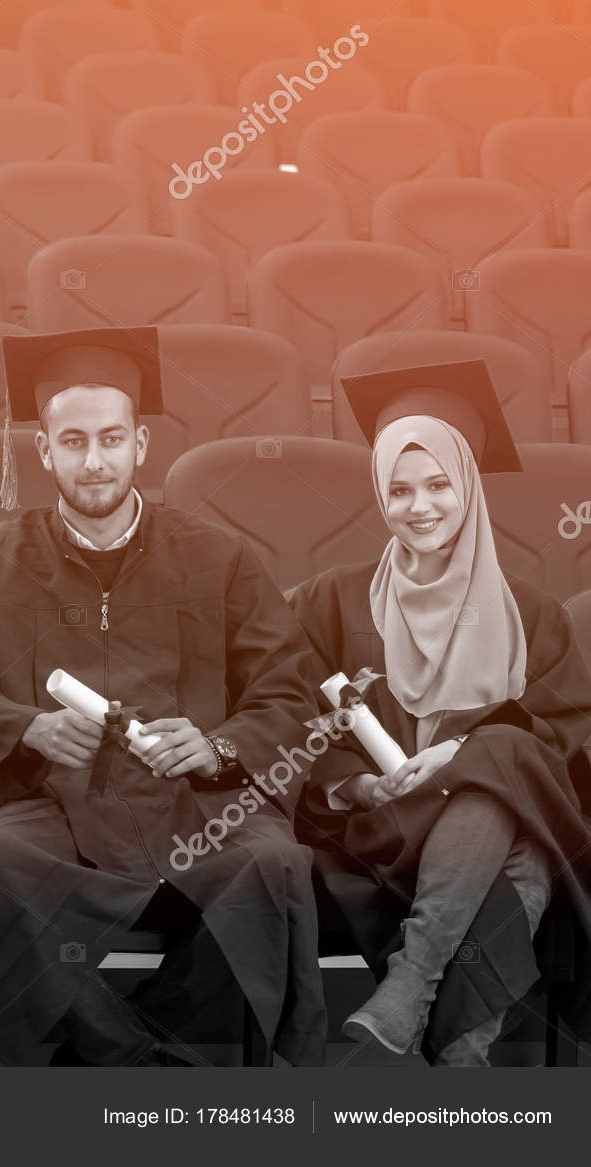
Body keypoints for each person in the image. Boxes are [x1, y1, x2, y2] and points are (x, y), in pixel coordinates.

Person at [0, 327, 327, 1066]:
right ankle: (140, 1064)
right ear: (44, 451)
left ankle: (121, 1059)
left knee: (273, 866)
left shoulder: (219, 557)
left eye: (110, 438)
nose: (94, 459)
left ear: (141, 443)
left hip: (195, 803)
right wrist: (27, 728)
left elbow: (286, 685)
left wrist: (218, 743)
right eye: (73, 441)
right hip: (56, 806)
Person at [288, 359, 591, 1065]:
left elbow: (563, 742)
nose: (418, 506)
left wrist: (458, 757)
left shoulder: (533, 616)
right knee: (521, 832)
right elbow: (288, 716)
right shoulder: (328, 600)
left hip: (479, 828)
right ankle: (453, 1041)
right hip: (378, 828)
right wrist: (359, 782)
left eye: (437, 485)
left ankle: (415, 995)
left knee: (507, 775)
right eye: (398, 488)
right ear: (378, 494)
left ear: (470, 488)